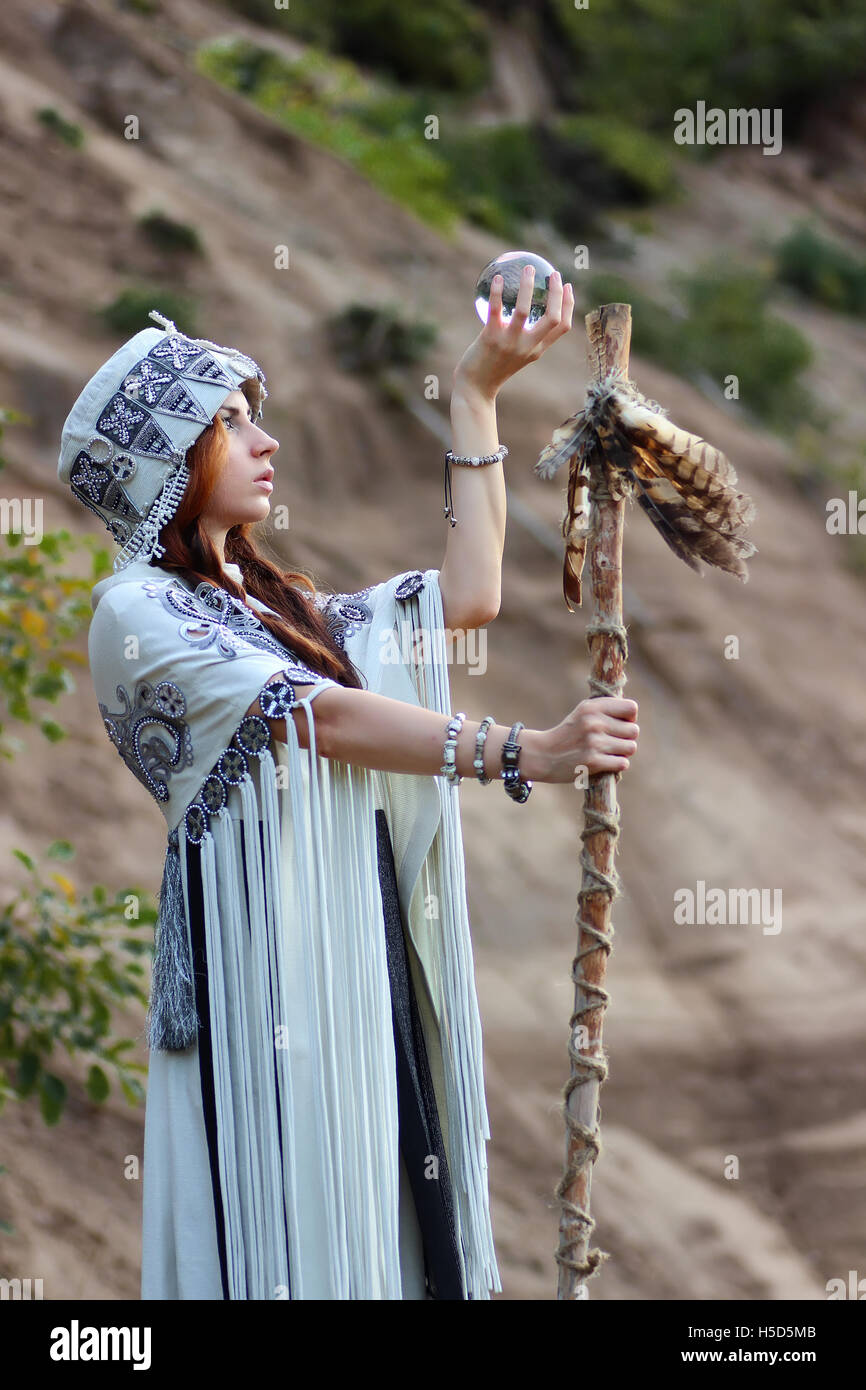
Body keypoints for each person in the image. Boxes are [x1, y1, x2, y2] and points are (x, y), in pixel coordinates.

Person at [57, 273, 639, 1301]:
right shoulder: (137, 612)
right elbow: (319, 717)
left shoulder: (282, 609)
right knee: (298, 1244)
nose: (264, 441)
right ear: (163, 464)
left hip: (353, 956)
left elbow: (468, 593)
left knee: (385, 1232)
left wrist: (474, 394)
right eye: (229, 425)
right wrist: (523, 752)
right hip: (271, 976)